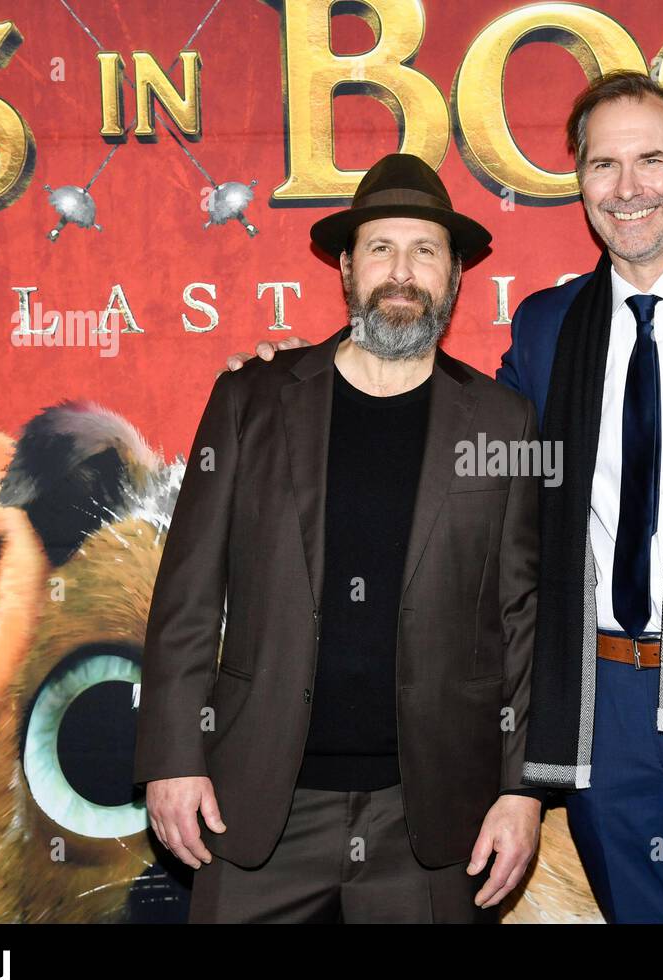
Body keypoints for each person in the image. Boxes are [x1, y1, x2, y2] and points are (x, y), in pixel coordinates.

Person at [227, 72, 663, 924]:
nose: (628, 188)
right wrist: (318, 375)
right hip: (601, 705)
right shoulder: (549, 326)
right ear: (580, 184)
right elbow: (463, 435)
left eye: (651, 160)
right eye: (603, 165)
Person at [134, 152, 545, 923]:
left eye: (425, 250)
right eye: (381, 249)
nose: (402, 271)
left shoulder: (502, 422)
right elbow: (187, 595)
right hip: (256, 802)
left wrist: (521, 787)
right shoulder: (251, 398)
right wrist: (174, 756)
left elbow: (523, 620)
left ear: (455, 277)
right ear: (347, 268)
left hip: (430, 816)